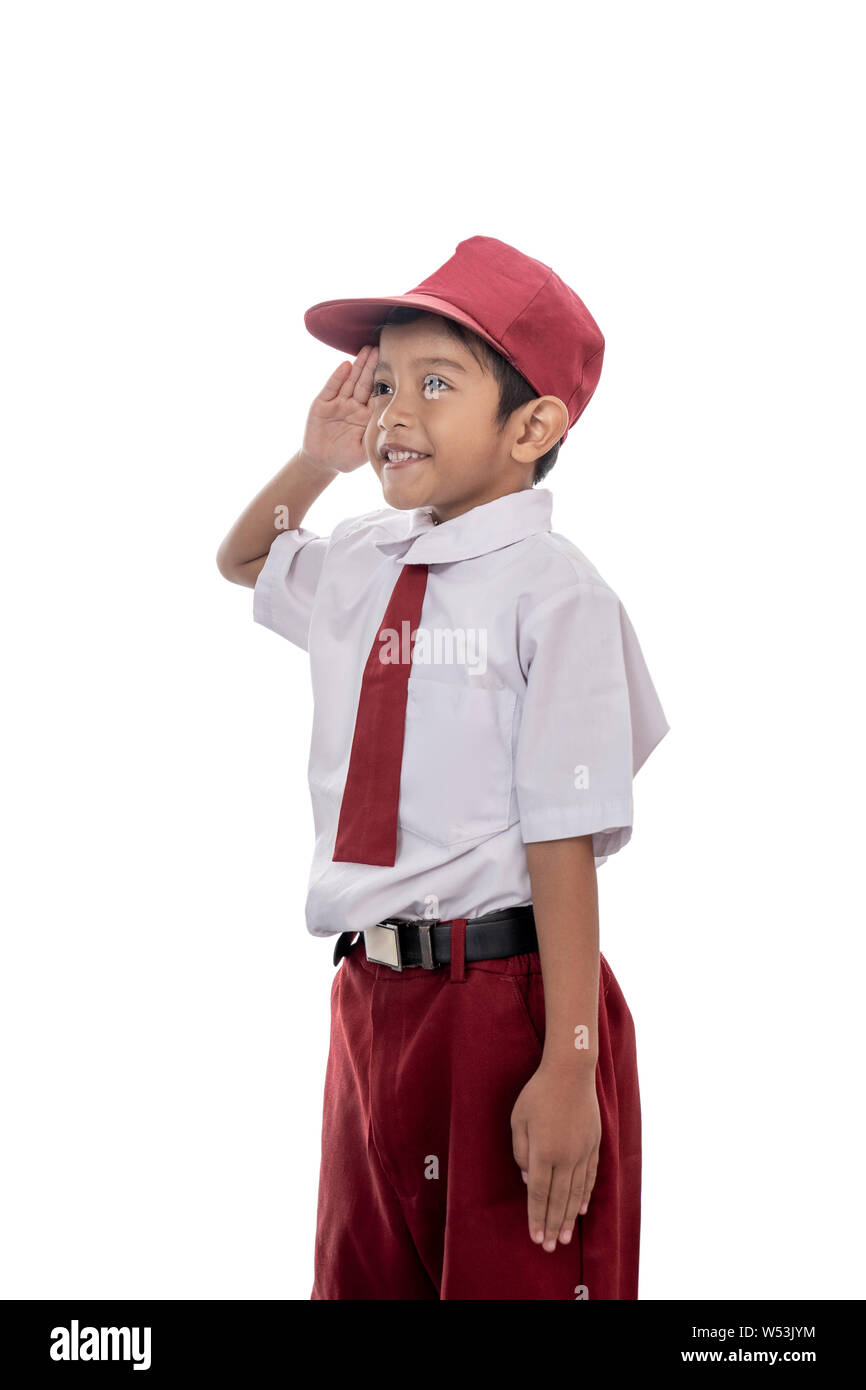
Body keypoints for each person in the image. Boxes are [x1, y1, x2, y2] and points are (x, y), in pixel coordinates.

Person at [216, 235, 669, 1300]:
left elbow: (562, 835)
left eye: (432, 383)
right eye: (382, 384)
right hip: (372, 998)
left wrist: (566, 1062)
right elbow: (244, 559)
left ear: (531, 426)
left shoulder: (553, 595)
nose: (393, 414)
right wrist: (316, 463)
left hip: (502, 1005)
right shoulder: (367, 559)